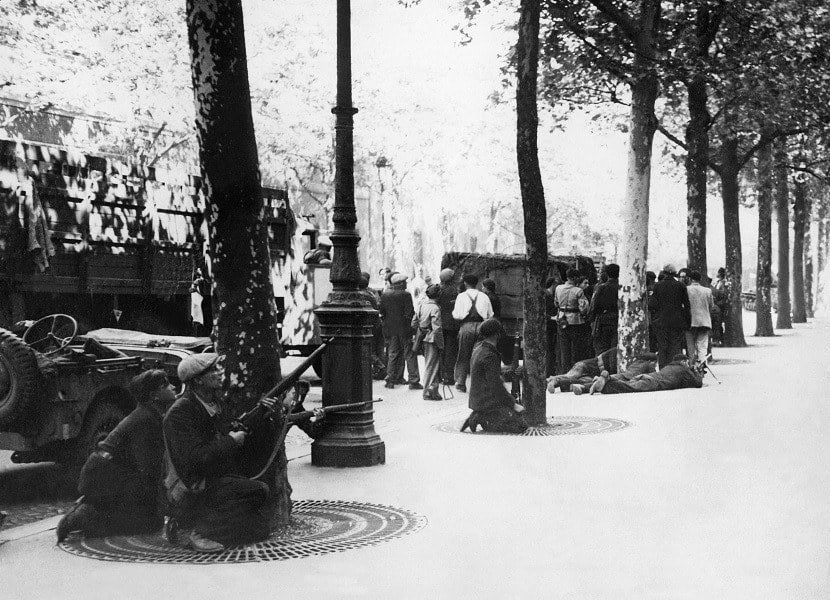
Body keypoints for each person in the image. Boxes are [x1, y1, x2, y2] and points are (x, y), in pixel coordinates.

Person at [163, 353, 271, 552]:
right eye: (212, 370)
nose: (220, 372)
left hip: (214, 478)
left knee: (260, 528)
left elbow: (232, 433)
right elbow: (196, 460)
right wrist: (231, 441)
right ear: (198, 380)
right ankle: (195, 532)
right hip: (194, 485)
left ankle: (198, 524)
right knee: (259, 490)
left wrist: (262, 414)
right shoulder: (181, 412)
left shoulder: (214, 403)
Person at [56, 370, 176, 542]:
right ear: (153, 395)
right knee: (150, 524)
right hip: (104, 477)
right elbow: (148, 468)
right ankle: (84, 517)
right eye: (165, 385)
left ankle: (92, 508)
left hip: (108, 472)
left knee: (151, 516)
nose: (172, 387)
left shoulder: (148, 413)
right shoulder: (145, 418)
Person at [460, 319, 527, 434]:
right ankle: (480, 416)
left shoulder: (479, 349)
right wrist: (513, 404)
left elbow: (488, 374)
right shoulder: (490, 355)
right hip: (488, 403)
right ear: (497, 334)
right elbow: (496, 386)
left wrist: (509, 371)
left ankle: (479, 414)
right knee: (521, 426)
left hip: (479, 400)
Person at [571, 354, 703, 395]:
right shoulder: (684, 370)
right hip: (653, 382)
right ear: (684, 361)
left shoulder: (669, 366)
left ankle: (589, 386)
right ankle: (608, 379)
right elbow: (698, 383)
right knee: (627, 388)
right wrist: (696, 371)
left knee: (625, 385)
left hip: (646, 377)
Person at [451, 273, 493, 392]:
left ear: (465, 283)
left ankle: (460, 383)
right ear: (477, 284)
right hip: (482, 326)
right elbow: (491, 315)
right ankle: (479, 385)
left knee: (463, 354)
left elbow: (456, 315)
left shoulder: (461, 296)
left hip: (466, 326)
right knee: (480, 355)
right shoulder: (484, 296)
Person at [379, 273, 421, 389]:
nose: (406, 283)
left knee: (393, 353)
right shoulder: (406, 295)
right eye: (405, 282)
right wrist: (412, 329)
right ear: (401, 283)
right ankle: (414, 380)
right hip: (405, 330)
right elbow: (409, 313)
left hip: (391, 329)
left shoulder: (385, 295)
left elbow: (382, 312)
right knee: (410, 354)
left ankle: (390, 379)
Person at [547, 349, 657, 392]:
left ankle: (554, 381)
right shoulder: (620, 354)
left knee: (574, 379)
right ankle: (553, 380)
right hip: (585, 366)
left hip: (593, 371)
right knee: (570, 377)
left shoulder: (624, 356)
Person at [649, 265, 691, 369]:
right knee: (676, 346)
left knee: (663, 347)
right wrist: (688, 322)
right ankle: (676, 370)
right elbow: (687, 306)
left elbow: (652, 305)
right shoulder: (681, 286)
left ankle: (663, 370)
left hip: (661, 321)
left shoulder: (658, 286)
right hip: (677, 321)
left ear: (664, 272)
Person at [554, 268, 591, 372]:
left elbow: (556, 303)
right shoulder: (578, 291)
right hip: (576, 322)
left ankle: (564, 373)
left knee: (564, 350)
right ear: (574, 278)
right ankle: (575, 373)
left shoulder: (558, 288)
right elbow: (583, 309)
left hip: (561, 320)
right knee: (576, 350)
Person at [412, 283, 444, 400]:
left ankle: (433, 390)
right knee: (432, 366)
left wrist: (421, 329)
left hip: (422, 337)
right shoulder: (435, 308)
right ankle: (427, 392)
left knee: (430, 364)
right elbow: (437, 329)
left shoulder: (421, 304)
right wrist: (441, 344)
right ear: (438, 294)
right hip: (432, 339)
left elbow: (414, 322)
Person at [587, 263, 619, 355]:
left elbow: (594, 306)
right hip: (617, 321)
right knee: (614, 349)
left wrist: (592, 320)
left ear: (607, 274)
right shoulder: (622, 288)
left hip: (603, 322)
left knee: (602, 349)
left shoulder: (602, 287)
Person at [685, 270, 715, 365]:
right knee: (702, 346)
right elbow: (711, 306)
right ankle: (702, 365)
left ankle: (692, 366)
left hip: (690, 322)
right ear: (700, 279)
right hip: (704, 322)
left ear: (690, 279)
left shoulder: (686, 289)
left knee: (691, 347)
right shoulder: (707, 291)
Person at [437, 268, 460, 385]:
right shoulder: (455, 291)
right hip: (452, 325)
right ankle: (449, 377)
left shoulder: (438, 289)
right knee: (451, 351)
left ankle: (440, 376)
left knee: (440, 350)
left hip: (439, 324)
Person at [712, 267, 730, 345]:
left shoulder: (723, 283)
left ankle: (721, 339)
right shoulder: (718, 282)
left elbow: (724, 294)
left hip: (720, 306)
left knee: (718, 324)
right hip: (717, 305)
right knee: (717, 324)